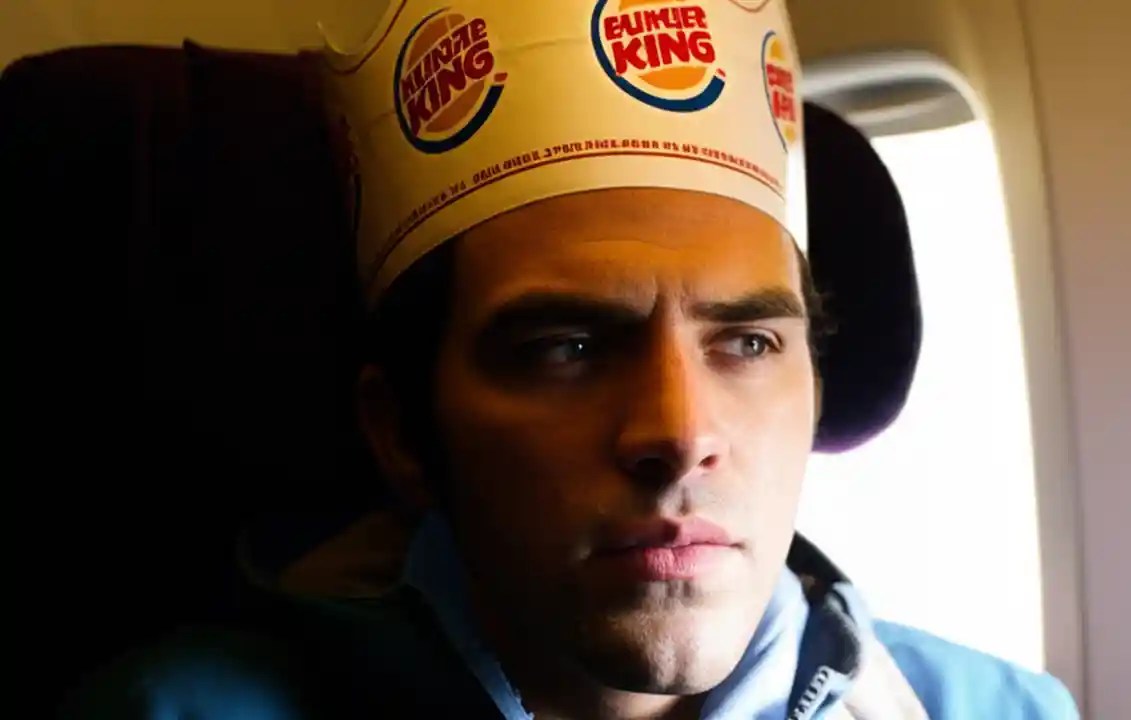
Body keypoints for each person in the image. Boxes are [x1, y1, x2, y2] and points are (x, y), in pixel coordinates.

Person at [63, 1, 1078, 718]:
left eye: (747, 341)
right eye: (569, 348)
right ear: (403, 431)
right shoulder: (174, 712)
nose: (679, 435)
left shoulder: (990, 709)